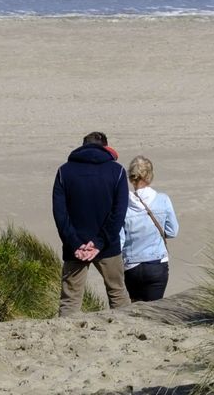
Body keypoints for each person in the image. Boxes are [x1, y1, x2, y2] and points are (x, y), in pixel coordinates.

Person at [52, 130, 131, 316]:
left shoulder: (65, 171)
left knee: (70, 299)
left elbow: (60, 214)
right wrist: (99, 242)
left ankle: (66, 337)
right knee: (118, 293)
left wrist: (75, 243)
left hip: (77, 246)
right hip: (106, 245)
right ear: (105, 147)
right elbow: (119, 213)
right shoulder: (116, 171)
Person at [119, 154, 178, 302]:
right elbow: (172, 231)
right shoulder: (162, 199)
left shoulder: (123, 204)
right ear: (149, 176)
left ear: (132, 178)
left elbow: (120, 239)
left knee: (136, 308)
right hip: (157, 263)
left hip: (132, 265)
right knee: (154, 308)